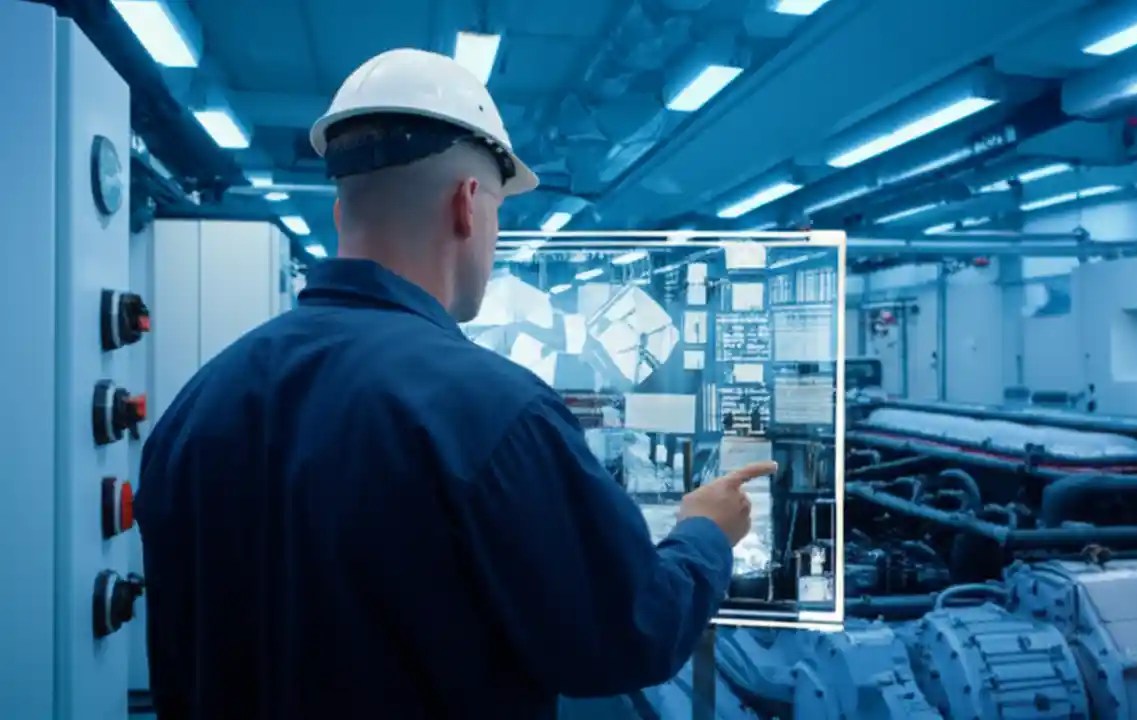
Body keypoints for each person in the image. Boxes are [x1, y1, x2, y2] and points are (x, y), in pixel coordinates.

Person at [134, 48, 776, 720]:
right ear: (469, 205)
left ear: (337, 214)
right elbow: (628, 636)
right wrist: (704, 533)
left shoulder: (198, 405)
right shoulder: (497, 413)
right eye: (499, 213)